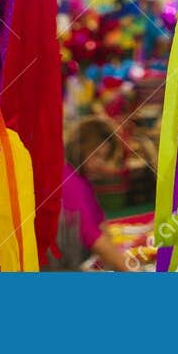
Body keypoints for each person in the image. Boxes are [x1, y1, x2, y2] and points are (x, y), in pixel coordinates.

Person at [55, 116, 129, 270]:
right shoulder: (69, 180)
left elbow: (99, 222)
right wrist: (130, 269)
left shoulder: (81, 179)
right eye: (96, 155)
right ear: (80, 147)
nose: (100, 163)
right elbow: (93, 236)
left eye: (104, 157)